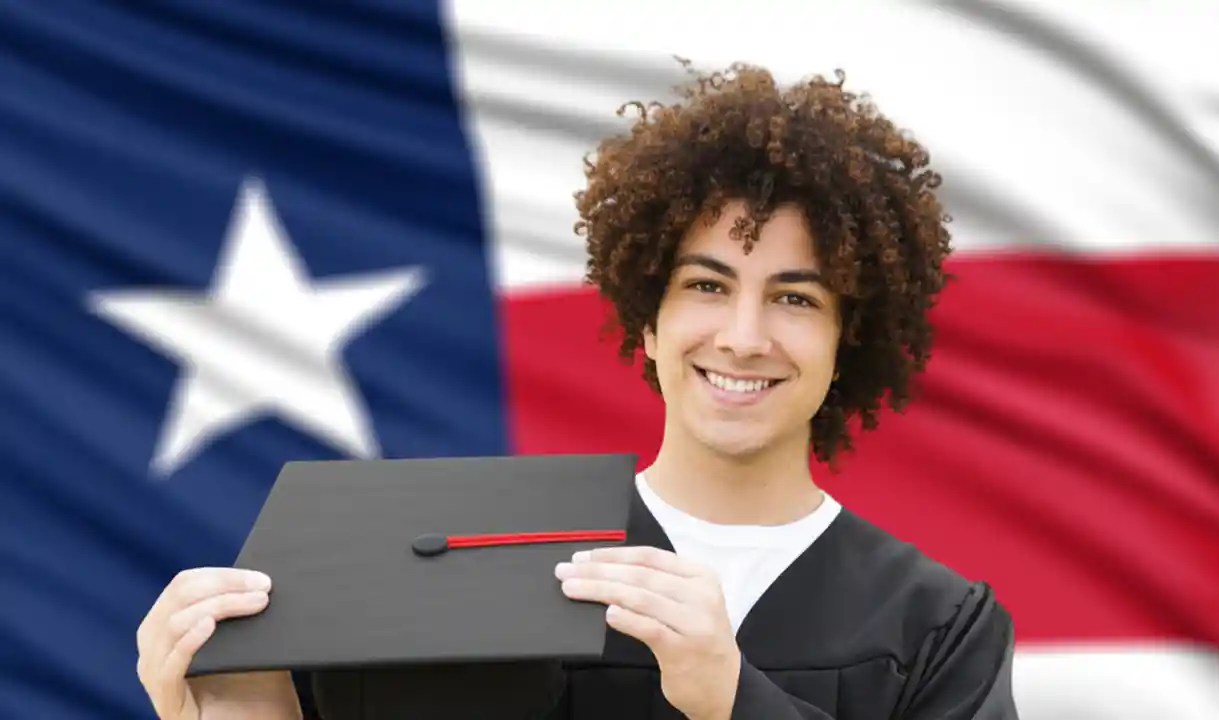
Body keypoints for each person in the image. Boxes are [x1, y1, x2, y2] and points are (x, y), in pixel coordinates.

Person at [135, 61, 1019, 719]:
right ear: (648, 319)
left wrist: (733, 697)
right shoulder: (454, 571)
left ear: (845, 339)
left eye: (794, 297)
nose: (743, 336)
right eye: (706, 286)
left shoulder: (937, 626)